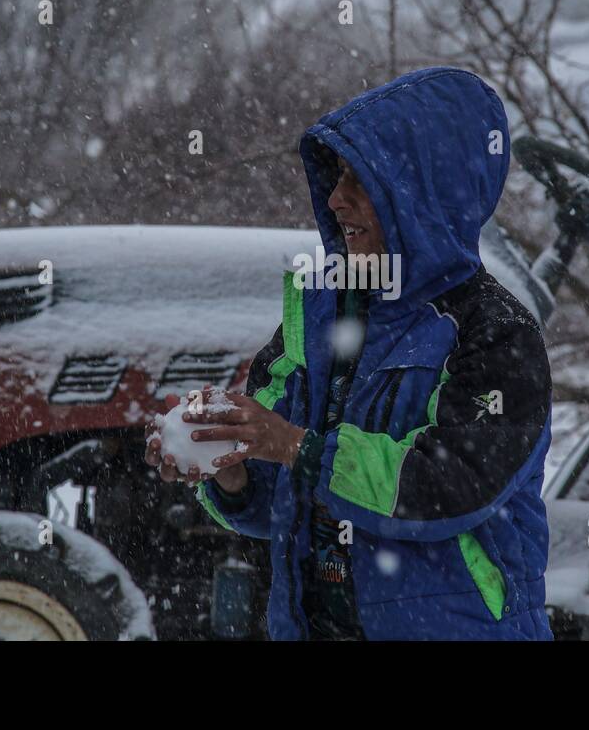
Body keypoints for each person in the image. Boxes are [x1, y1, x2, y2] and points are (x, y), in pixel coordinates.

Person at [146, 66, 553, 640]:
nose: (336, 199)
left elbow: (448, 487)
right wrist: (232, 469)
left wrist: (291, 444)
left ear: (418, 189)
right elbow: (279, 502)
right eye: (335, 177)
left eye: (360, 179)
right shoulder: (317, 315)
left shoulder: (495, 334)